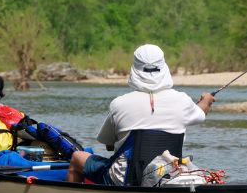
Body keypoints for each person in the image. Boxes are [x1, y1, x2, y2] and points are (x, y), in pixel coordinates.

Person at [66, 44, 215, 185]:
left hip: (124, 180)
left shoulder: (119, 103)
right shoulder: (182, 100)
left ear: (135, 69)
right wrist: (207, 100)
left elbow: (109, 145)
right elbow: (201, 112)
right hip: (165, 177)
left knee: (77, 157)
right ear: (164, 68)